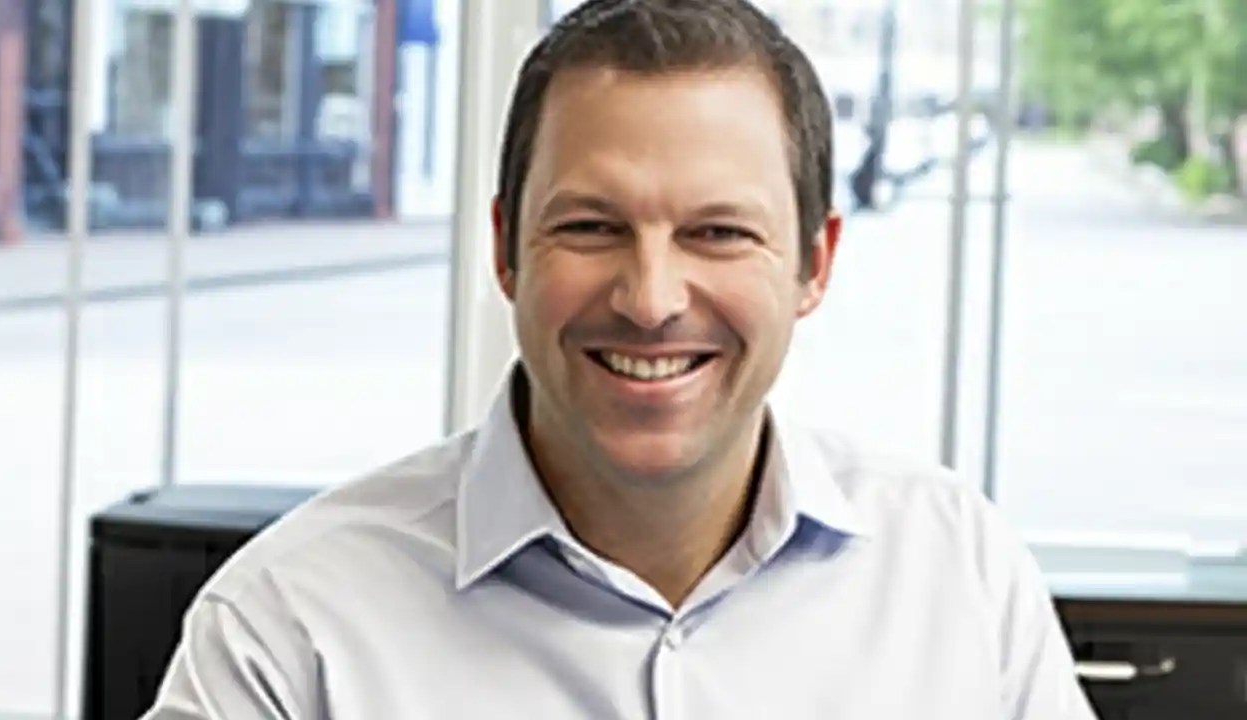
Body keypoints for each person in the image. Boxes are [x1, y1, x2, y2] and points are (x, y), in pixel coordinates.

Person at [147, 1, 1098, 718]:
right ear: (506, 249)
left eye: (719, 232)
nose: (650, 299)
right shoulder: (289, 623)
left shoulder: (955, 572)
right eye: (593, 227)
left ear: (814, 264)